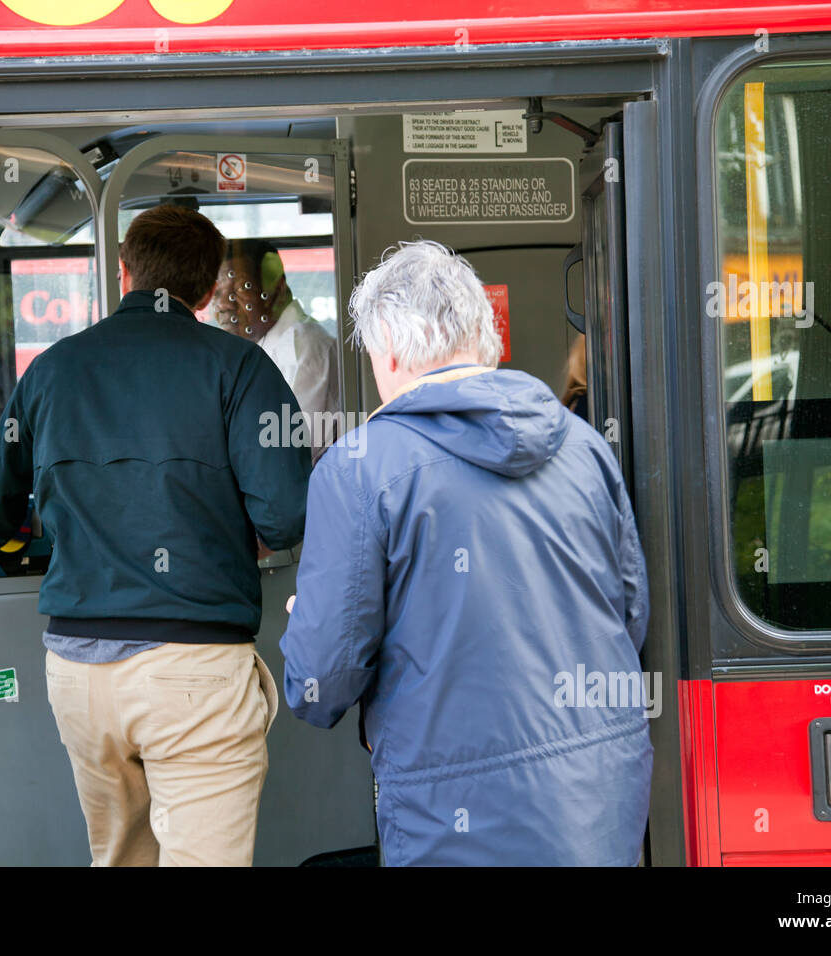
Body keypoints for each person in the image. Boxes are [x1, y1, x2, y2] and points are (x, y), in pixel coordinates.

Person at [0, 204, 311, 866]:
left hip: (79, 674)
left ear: (122, 273)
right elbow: (285, 516)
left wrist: (44, 532)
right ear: (207, 291)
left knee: (120, 859)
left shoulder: (51, 370)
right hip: (194, 667)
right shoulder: (240, 368)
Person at [279, 240, 652, 866]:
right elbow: (630, 617)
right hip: (601, 792)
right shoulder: (583, 446)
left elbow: (319, 686)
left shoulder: (358, 468)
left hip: (452, 812)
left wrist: (307, 627)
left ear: (390, 350)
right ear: (484, 338)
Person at [210, 239, 340, 459]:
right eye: (216, 293)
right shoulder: (265, 345)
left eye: (241, 288)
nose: (224, 304)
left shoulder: (300, 348)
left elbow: (287, 451)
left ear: (277, 290)